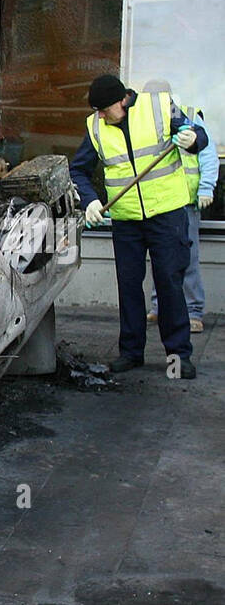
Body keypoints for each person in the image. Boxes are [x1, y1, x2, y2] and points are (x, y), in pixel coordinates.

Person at [69, 73, 205, 378]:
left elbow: (198, 135)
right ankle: (131, 353)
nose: (100, 116)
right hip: (126, 218)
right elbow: (78, 170)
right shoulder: (96, 127)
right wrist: (90, 200)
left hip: (167, 214)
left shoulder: (159, 108)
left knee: (169, 282)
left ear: (123, 100)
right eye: (97, 112)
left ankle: (178, 357)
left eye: (104, 110)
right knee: (129, 285)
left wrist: (193, 139)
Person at [143, 84, 215, 334]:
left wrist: (206, 188)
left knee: (188, 257)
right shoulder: (147, 122)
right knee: (161, 257)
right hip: (162, 201)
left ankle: (193, 310)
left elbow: (207, 154)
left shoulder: (190, 116)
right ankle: (159, 307)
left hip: (185, 202)